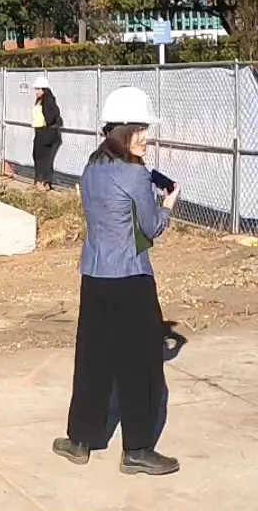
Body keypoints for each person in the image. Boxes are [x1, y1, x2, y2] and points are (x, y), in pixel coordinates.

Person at [54, 86, 181, 476]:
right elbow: (151, 226)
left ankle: (80, 439)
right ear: (123, 132)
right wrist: (168, 204)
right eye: (141, 129)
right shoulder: (136, 175)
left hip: (94, 277)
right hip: (130, 279)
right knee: (140, 364)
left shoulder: (91, 169)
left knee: (92, 359)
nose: (146, 137)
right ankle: (138, 448)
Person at [31, 74, 65, 190]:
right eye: (36, 89)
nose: (36, 91)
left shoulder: (48, 100)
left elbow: (51, 117)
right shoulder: (39, 101)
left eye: (38, 89)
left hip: (47, 133)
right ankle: (38, 180)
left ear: (44, 89)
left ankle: (45, 182)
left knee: (45, 159)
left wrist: (47, 125)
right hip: (39, 132)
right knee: (37, 156)